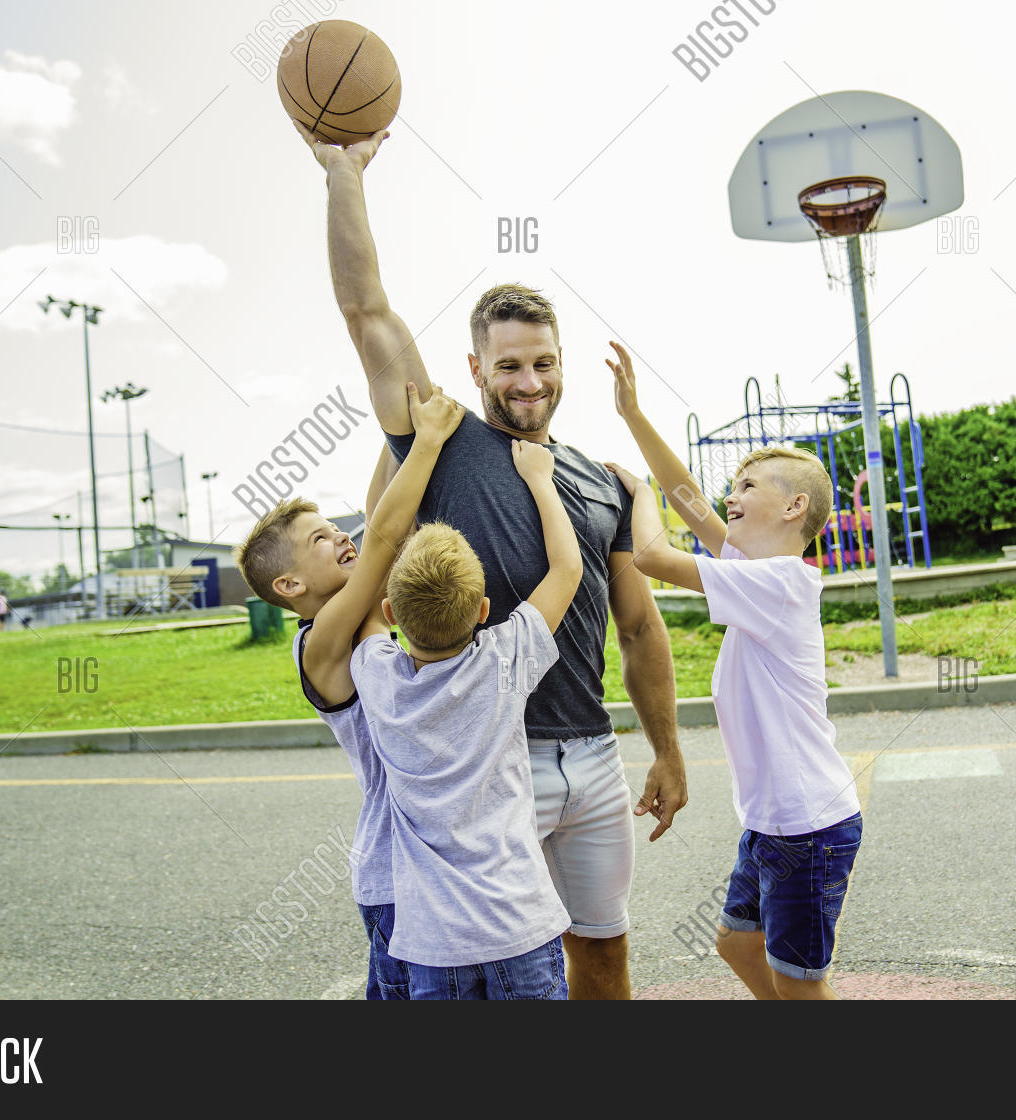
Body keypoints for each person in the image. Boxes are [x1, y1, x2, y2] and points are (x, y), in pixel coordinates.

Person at [297, 124, 687, 1000]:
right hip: (492, 770)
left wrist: (666, 750)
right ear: (476, 366)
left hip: (590, 755)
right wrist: (343, 176)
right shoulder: (444, 440)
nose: (529, 381)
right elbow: (366, 312)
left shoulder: (599, 482)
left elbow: (636, 624)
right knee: (496, 969)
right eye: (509, 364)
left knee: (603, 952)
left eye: (544, 363)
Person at [604, 341, 863, 1000]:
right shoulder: (756, 571)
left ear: (794, 508)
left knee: (799, 982)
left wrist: (635, 493)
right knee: (736, 941)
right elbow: (689, 500)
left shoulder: (778, 583)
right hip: (775, 821)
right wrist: (633, 415)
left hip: (806, 828)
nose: (731, 495)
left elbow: (655, 555)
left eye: (749, 486)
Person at [232, 382, 465, 1001]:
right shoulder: (321, 643)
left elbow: (376, 519)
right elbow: (384, 534)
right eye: (319, 540)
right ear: (289, 584)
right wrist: (430, 442)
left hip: (430, 869)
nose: (341, 537)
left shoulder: (359, 610)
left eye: (335, 529)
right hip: (392, 875)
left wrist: (399, 435)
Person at [350, 438, 582, 999]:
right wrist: (541, 479)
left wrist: (398, 444)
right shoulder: (505, 658)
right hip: (520, 925)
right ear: (484, 611)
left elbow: (373, 554)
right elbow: (567, 567)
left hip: (433, 944)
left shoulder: (377, 677)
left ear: (389, 614)